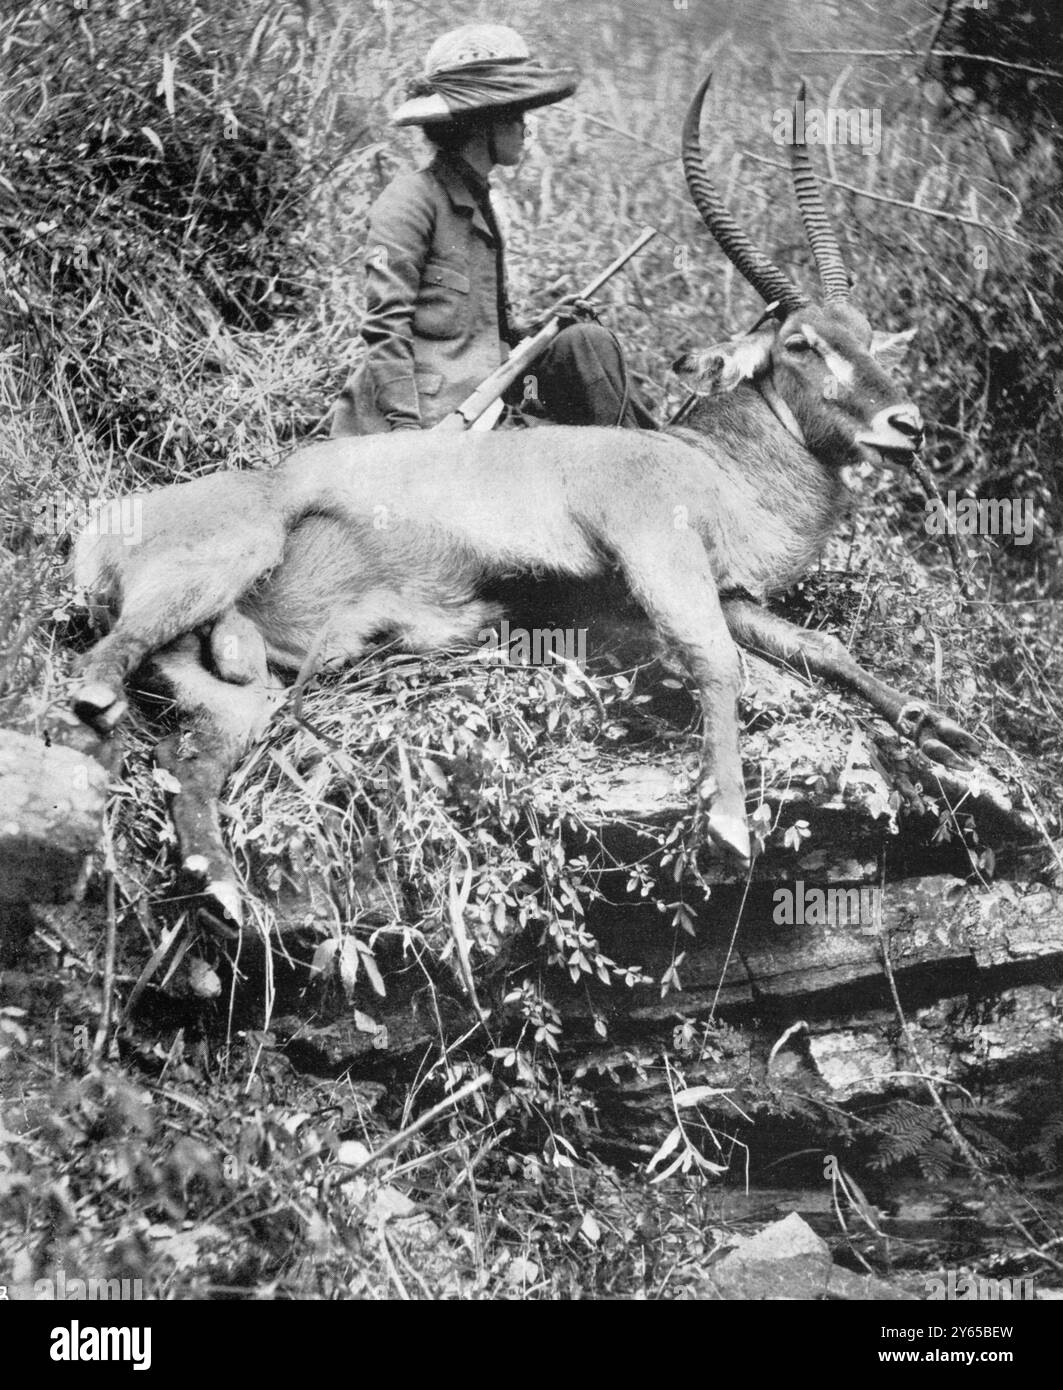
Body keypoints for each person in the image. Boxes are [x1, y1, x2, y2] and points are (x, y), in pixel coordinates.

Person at [329, 23, 656, 437]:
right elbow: (385, 327)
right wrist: (406, 435)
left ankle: (643, 454)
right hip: (437, 415)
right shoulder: (410, 199)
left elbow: (481, 332)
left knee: (586, 341)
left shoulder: (481, 201)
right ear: (486, 123)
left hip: (492, 398)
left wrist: (541, 327)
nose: (525, 129)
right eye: (517, 116)